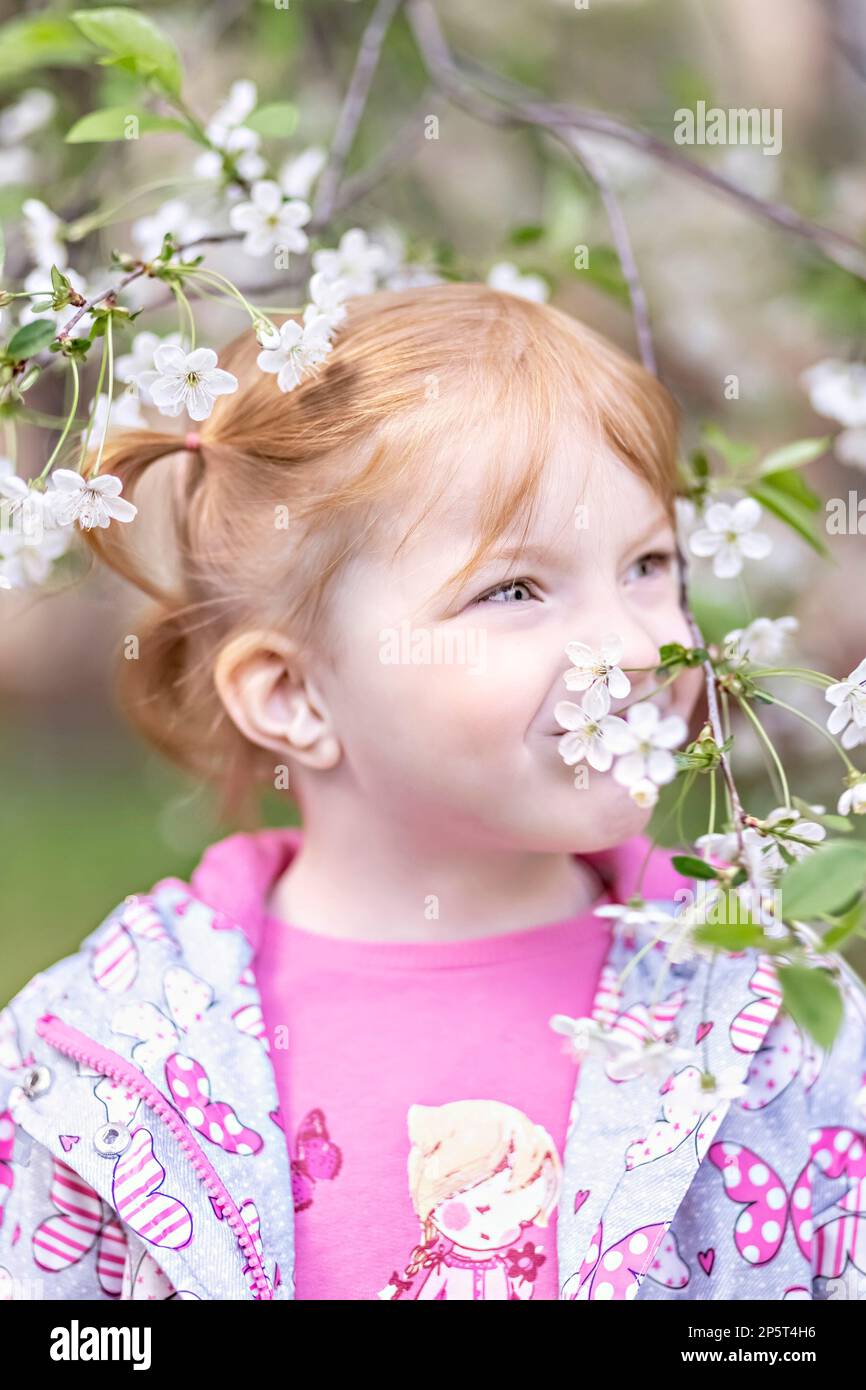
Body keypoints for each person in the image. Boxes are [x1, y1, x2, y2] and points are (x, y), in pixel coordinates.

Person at [2, 283, 865, 1302]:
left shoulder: (762, 1009)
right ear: (293, 695)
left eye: (647, 564)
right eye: (514, 589)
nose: (640, 646)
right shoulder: (102, 1062)